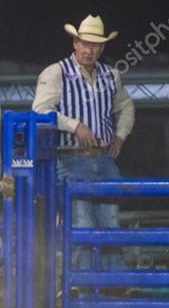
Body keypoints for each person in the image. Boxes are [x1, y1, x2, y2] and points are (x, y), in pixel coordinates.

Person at [32, 14, 135, 270]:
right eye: (85, 43)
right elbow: (40, 110)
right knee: (83, 224)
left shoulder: (111, 75)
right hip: (70, 156)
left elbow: (126, 106)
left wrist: (120, 135)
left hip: (102, 157)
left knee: (109, 223)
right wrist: (74, 125)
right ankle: (82, 290)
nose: (89, 49)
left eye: (95, 45)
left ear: (101, 47)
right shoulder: (56, 73)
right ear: (75, 43)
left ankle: (109, 288)